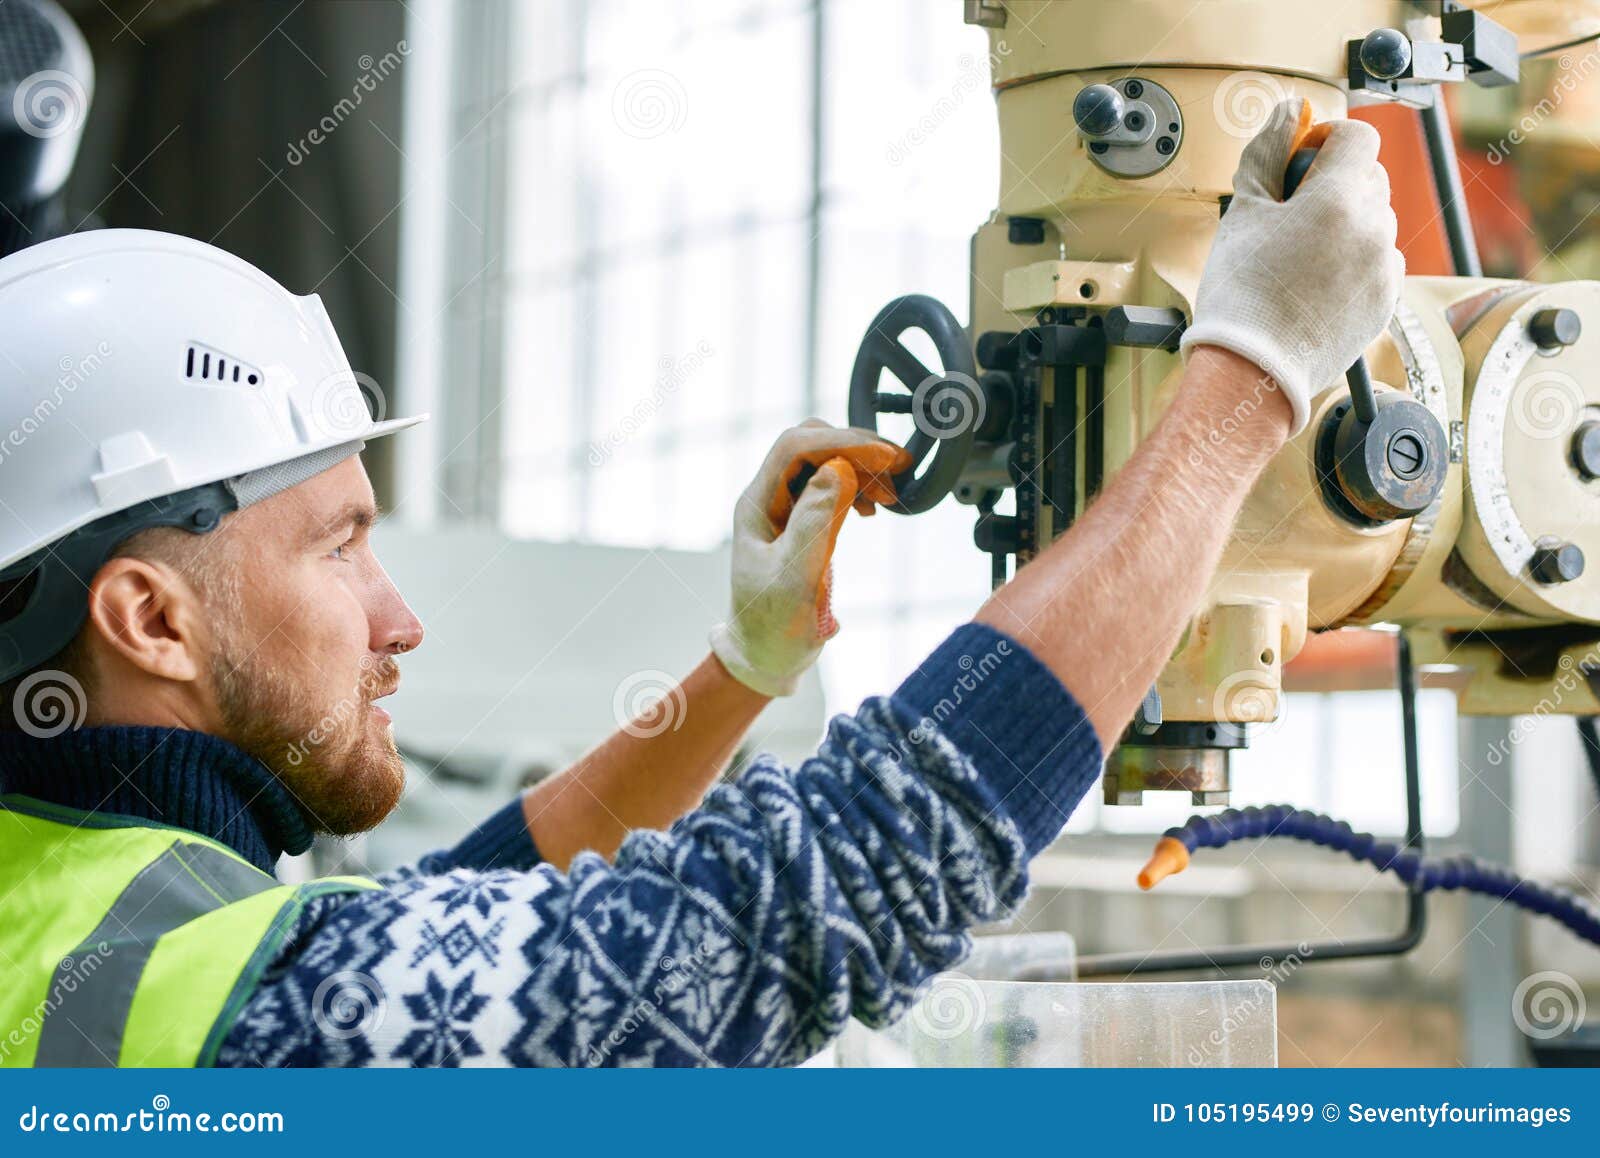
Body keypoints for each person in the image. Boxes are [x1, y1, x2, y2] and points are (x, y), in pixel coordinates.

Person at [0, 99, 1399, 1067]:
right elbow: (817, 898)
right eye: (337, 545)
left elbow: (453, 924)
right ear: (151, 619)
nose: (399, 617)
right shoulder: (199, 1006)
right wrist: (1249, 381)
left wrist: (743, 666)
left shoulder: (81, 910)